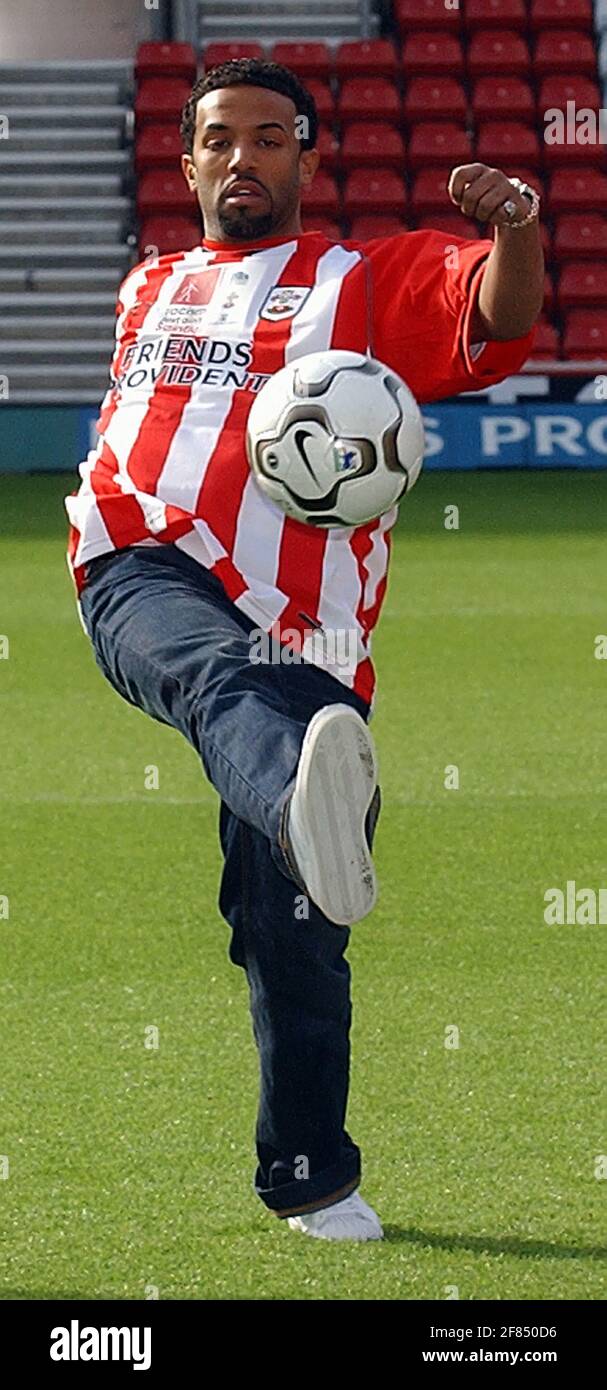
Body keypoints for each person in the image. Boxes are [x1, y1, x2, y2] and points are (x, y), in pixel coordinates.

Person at [65, 59, 543, 1241]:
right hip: (141, 563)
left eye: (270, 138)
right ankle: (292, 790)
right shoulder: (152, 286)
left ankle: (310, 1175)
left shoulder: (362, 280)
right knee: (221, 686)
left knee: (295, 924)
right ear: (186, 164)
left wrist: (519, 228)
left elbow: (498, 313)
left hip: (309, 628)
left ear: (307, 159)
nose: (243, 159)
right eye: (219, 139)